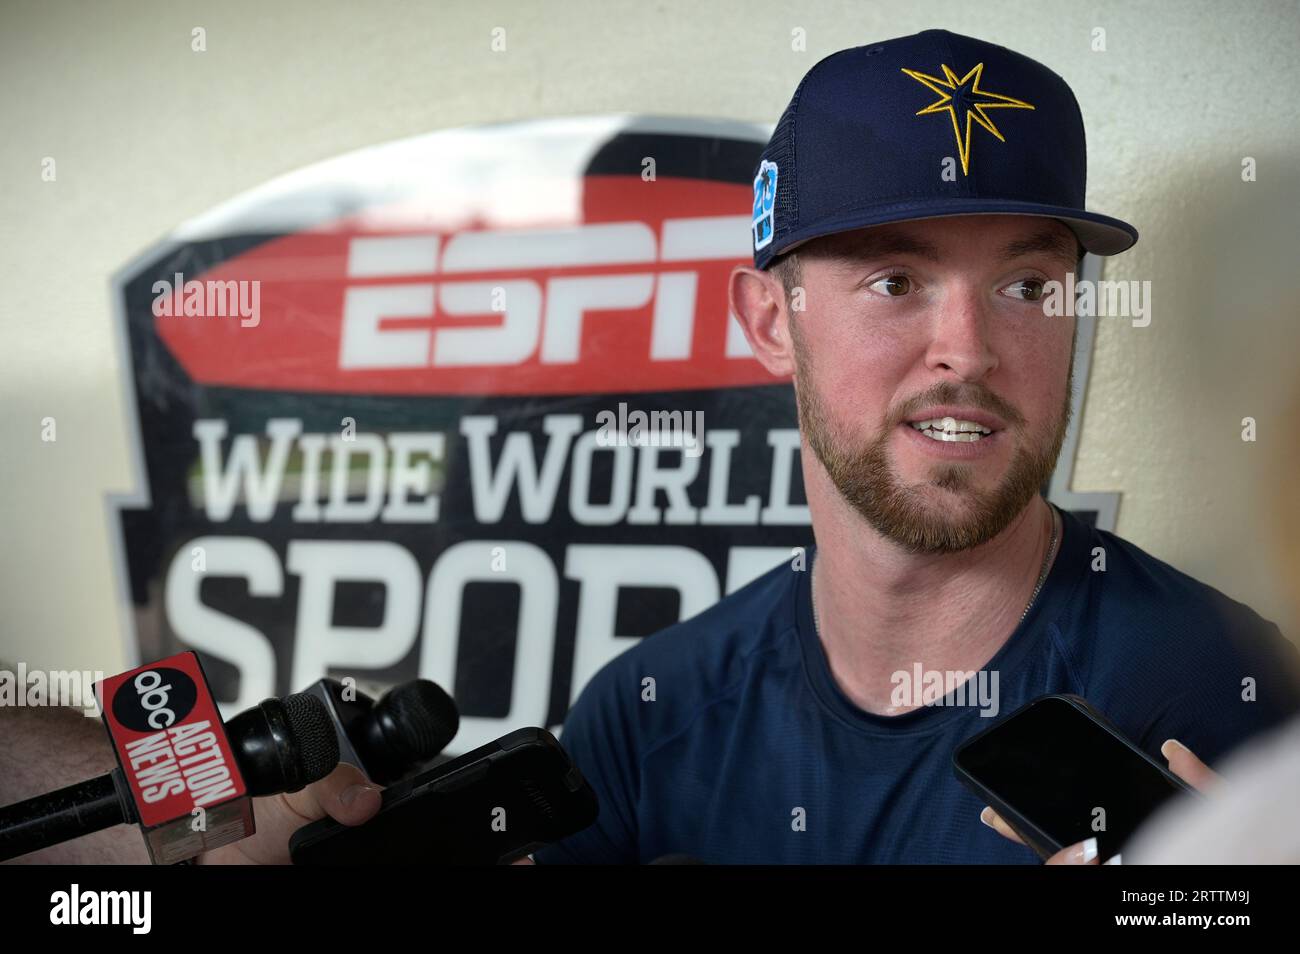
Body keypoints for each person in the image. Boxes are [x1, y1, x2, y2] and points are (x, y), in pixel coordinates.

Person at [529, 29, 1300, 864]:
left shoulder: (1230, 695)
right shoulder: (645, 714)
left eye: (1028, 287)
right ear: (768, 321)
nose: (967, 351)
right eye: (895, 282)